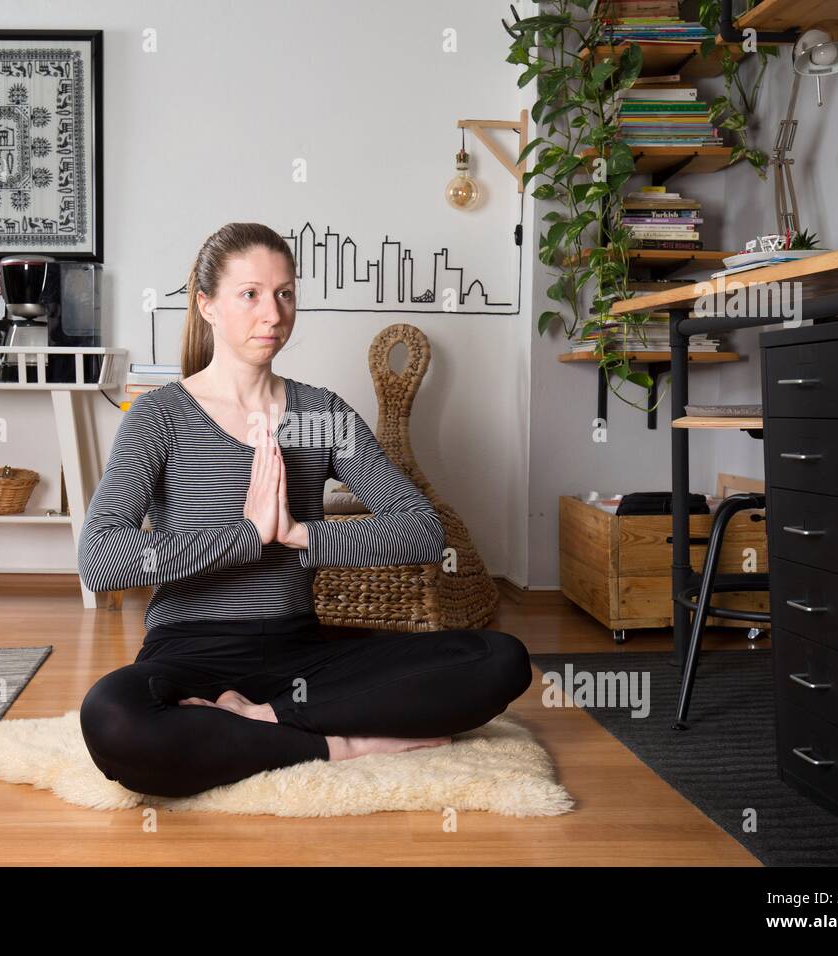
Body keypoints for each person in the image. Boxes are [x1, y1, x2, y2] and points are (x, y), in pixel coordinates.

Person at [77, 222, 532, 798]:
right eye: (250, 294)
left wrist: (298, 535)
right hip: (187, 652)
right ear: (207, 305)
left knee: (499, 659)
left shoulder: (321, 415)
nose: (273, 313)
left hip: (298, 657)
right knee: (113, 718)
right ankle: (336, 745)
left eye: (285, 293)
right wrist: (245, 535)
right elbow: (99, 559)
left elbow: (421, 532)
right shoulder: (160, 416)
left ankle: (262, 720)